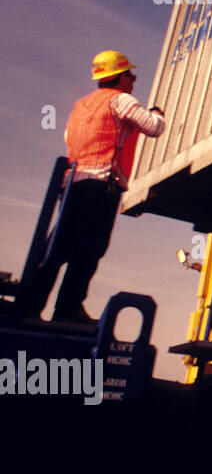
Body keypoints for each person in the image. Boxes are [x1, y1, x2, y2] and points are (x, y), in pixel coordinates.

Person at [21, 50, 166, 324]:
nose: (133, 80)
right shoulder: (121, 100)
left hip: (73, 184)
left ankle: (31, 305)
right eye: (130, 74)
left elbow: (68, 137)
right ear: (120, 76)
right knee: (89, 249)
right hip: (102, 186)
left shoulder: (82, 106)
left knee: (57, 247)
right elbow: (153, 128)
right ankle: (68, 309)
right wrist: (157, 112)